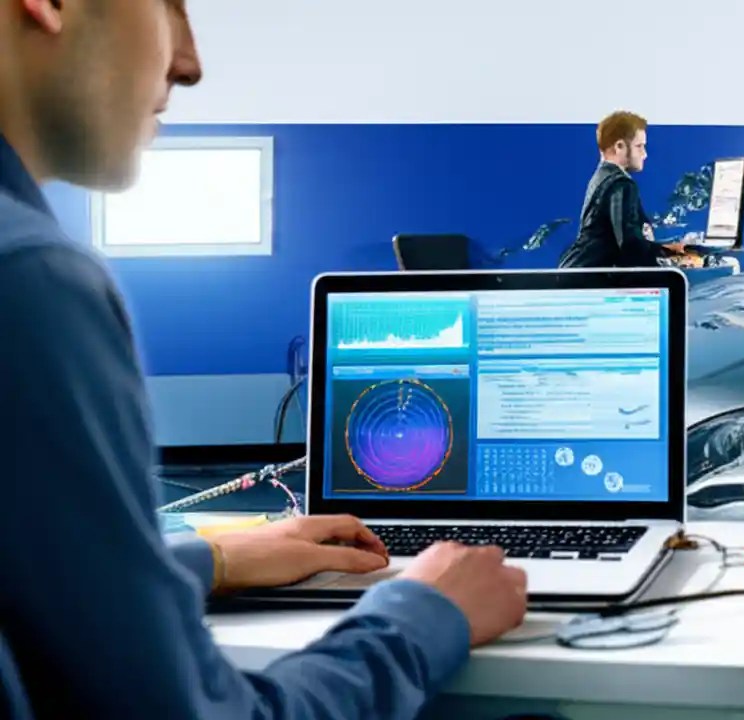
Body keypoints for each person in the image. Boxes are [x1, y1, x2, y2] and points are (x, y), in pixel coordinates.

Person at [0, 2, 527, 718]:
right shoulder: (30, 278)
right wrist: (424, 615)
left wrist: (214, 560)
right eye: (170, 6)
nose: (189, 62)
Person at [558, 110, 698, 268]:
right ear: (619, 146)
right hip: (589, 281)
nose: (644, 154)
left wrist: (664, 250)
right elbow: (630, 246)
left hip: (575, 272)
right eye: (639, 146)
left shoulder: (602, 177)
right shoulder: (621, 184)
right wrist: (671, 254)